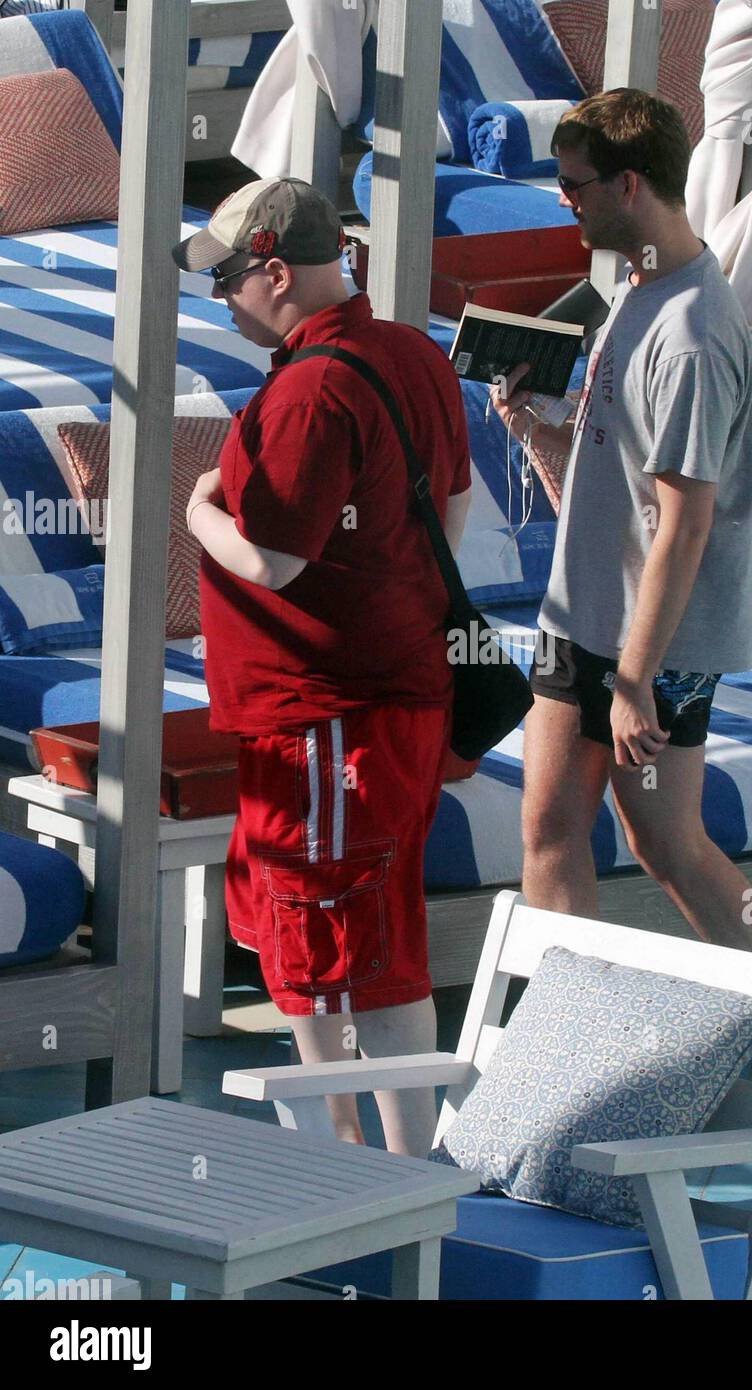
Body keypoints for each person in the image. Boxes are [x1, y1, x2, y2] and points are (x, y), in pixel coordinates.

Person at [492, 90, 752, 1122]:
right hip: (589, 614)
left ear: (630, 185)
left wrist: (635, 677)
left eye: (573, 185)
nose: (564, 202)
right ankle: (565, 1050)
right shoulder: (634, 294)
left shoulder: (693, 330)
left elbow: (685, 525)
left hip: (650, 640)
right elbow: (614, 484)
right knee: (554, 832)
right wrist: (531, 429)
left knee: (668, 842)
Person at [173, 177, 473, 1156]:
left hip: (330, 716)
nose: (220, 300)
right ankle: (364, 1160)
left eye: (226, 280)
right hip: (381, 697)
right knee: (353, 929)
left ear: (273, 268)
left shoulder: (309, 390)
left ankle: (384, 1172)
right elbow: (455, 506)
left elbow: (273, 559)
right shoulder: (412, 352)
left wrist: (199, 510)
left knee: (345, 946)